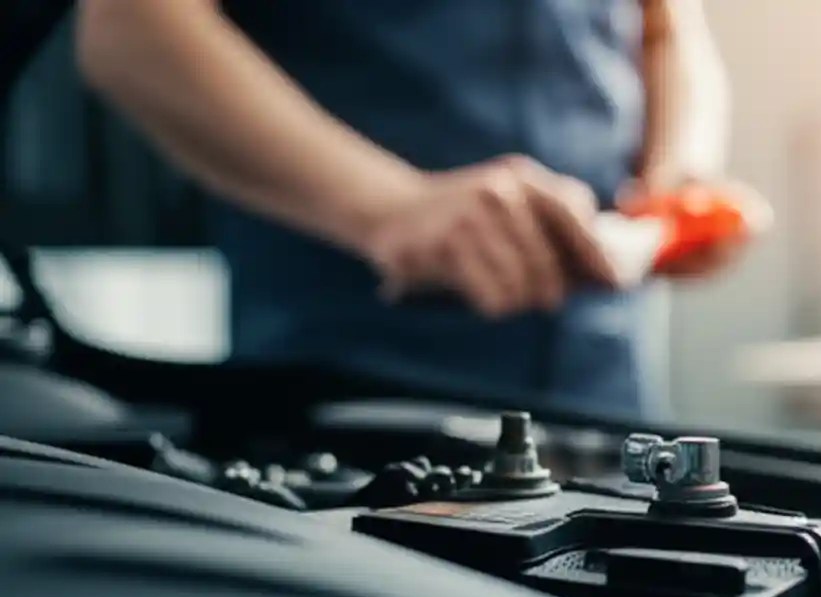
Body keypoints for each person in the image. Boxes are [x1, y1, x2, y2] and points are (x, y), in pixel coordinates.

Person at [75, 0, 746, 417]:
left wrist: (679, 177)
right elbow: (132, 25)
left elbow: (666, 27)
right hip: (348, 377)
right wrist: (392, 209)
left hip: (605, 377)